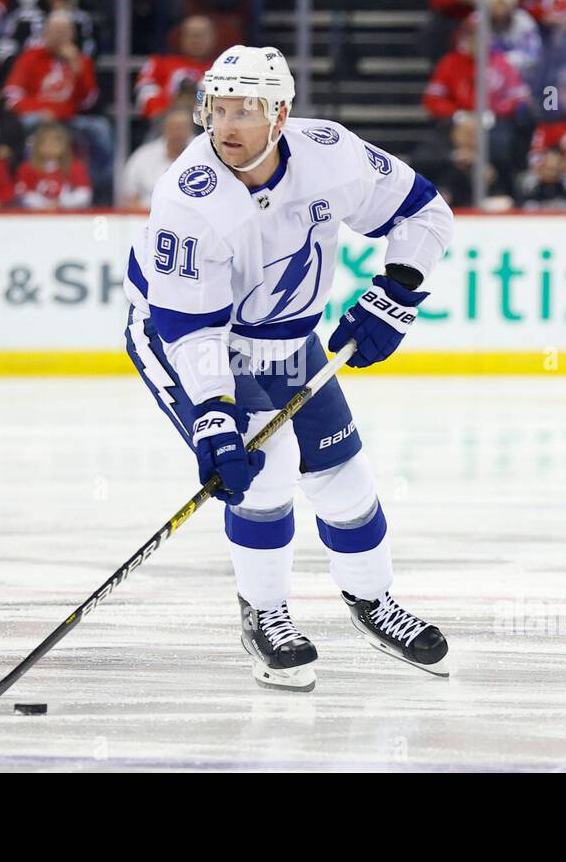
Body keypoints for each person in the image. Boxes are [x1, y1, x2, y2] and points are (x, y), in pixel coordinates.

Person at [122, 46, 453, 692]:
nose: (227, 125)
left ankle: (372, 600)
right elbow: (190, 327)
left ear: (280, 115)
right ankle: (264, 613)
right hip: (184, 335)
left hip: (286, 335)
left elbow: (423, 211)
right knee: (263, 474)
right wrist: (214, 418)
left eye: (245, 109)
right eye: (218, 108)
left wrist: (398, 292)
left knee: (346, 481)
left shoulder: (329, 154)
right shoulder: (190, 199)